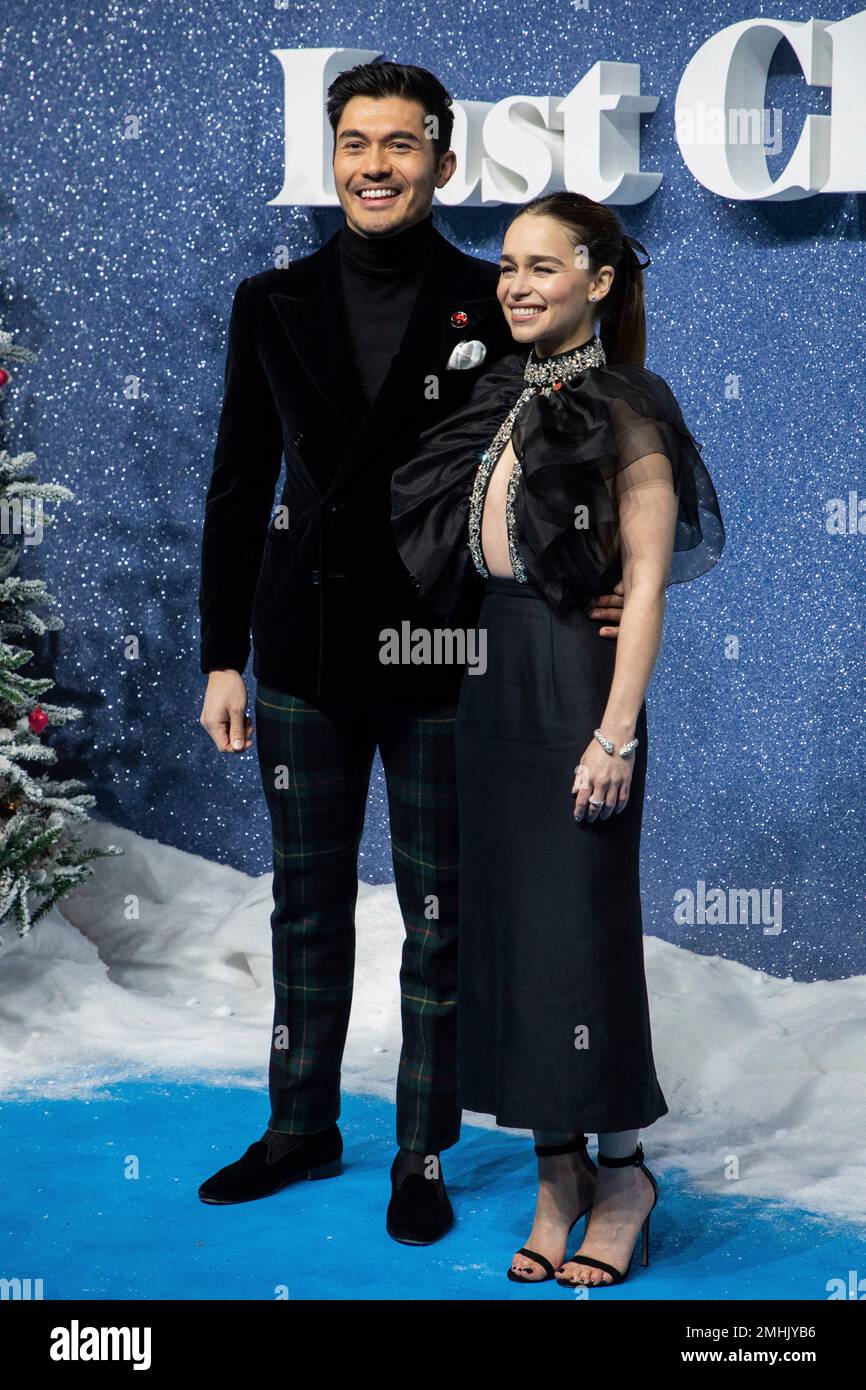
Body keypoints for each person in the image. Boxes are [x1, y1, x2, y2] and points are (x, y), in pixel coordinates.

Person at [196, 65, 625, 1245]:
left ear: (442, 161)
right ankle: (298, 1125)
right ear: (330, 158)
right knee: (304, 905)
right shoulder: (267, 300)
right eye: (352, 142)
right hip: (297, 653)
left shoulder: (495, 301)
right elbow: (237, 489)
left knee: (438, 913)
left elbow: (575, 452)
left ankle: (420, 1148)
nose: (372, 164)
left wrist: (610, 578)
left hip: (441, 655)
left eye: (398, 143)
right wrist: (219, 655)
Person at [391, 191, 725, 1283]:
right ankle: (555, 1168)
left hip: (578, 689)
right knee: (506, 931)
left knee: (577, 930)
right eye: (506, 267)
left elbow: (643, 586)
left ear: (599, 280)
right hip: (490, 683)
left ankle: (622, 1170)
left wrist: (614, 734)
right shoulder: (494, 392)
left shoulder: (630, 403)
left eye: (543, 266)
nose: (516, 285)